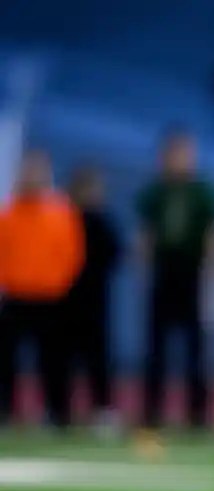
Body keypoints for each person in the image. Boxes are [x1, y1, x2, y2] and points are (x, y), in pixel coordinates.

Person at [136, 128, 214, 446]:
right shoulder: (155, 192)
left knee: (196, 349)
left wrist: (213, 273)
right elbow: (145, 234)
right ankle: (151, 413)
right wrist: (145, 268)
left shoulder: (204, 192)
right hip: (164, 273)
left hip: (193, 273)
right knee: (156, 347)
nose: (179, 160)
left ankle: (197, 415)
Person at [0, 149, 84, 429]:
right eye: (28, 171)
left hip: (51, 297)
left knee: (54, 361)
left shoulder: (61, 213)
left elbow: (72, 254)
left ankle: (57, 414)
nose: (32, 177)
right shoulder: (9, 213)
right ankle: (6, 412)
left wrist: (59, 282)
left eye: (38, 172)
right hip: (17, 295)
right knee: (6, 360)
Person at [66, 165, 123, 434]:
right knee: (62, 357)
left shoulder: (103, 223)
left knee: (97, 357)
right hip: (64, 299)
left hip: (95, 300)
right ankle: (59, 410)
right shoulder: (63, 220)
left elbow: (115, 256)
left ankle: (102, 409)